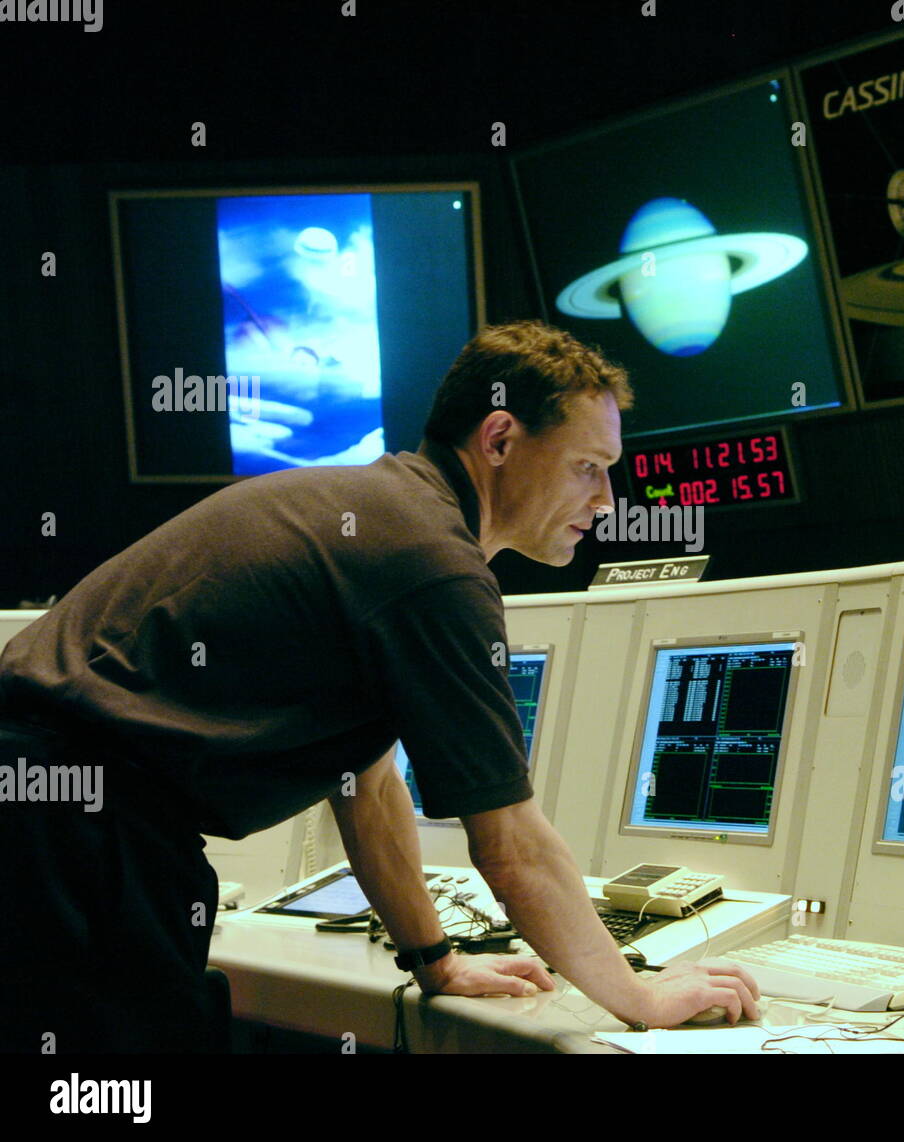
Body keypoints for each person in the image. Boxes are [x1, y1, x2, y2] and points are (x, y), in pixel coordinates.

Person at [0, 319, 760, 1052]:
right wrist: (644, 997)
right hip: (73, 835)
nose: (606, 500)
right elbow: (511, 847)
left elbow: (366, 784)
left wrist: (433, 958)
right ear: (498, 439)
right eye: (586, 466)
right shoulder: (432, 562)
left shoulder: (386, 515)